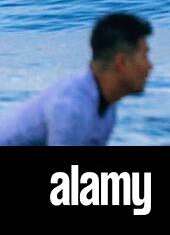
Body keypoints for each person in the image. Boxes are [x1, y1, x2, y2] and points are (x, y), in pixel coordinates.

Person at [0, 13, 153, 146]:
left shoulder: (106, 106)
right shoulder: (72, 105)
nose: (149, 66)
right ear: (122, 63)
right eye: (145, 56)